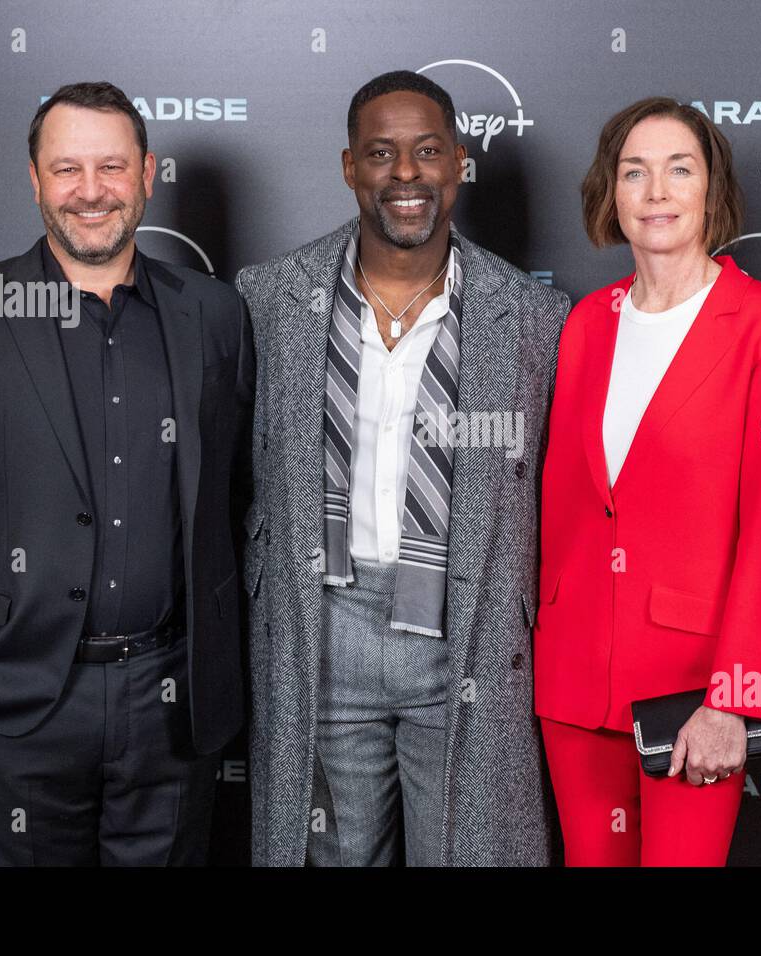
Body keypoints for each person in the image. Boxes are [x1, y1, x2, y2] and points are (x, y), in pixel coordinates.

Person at [0, 81, 253, 865]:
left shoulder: (214, 314)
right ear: (34, 178)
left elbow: (237, 497)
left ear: (149, 173)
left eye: (112, 167)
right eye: (67, 169)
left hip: (172, 704)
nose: (91, 192)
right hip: (17, 703)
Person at [235, 70, 569, 866]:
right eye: (381, 153)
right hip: (323, 631)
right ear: (350, 166)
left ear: (459, 162)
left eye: (426, 151)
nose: (405, 174)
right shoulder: (269, 299)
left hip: (469, 639)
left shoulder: (533, 318)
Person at [533, 97, 761, 866]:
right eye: (635, 172)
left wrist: (735, 695)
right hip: (573, 682)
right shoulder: (587, 321)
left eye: (678, 169)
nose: (656, 190)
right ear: (610, 194)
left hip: (692, 695)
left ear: (711, 190)